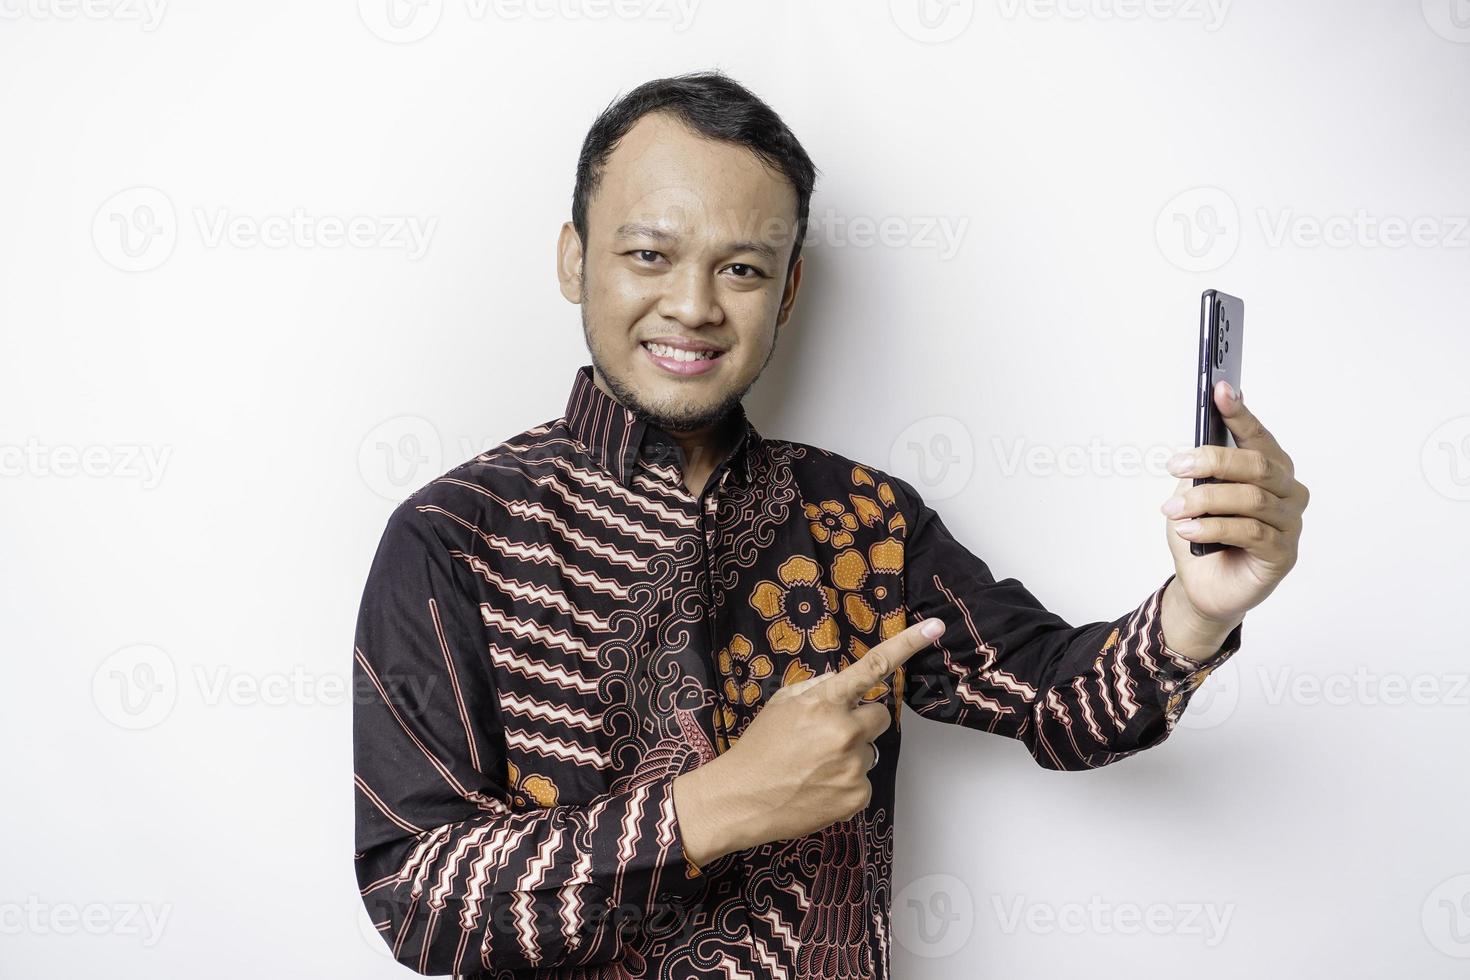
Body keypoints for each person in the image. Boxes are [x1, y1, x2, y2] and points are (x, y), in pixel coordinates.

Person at [351, 69, 1309, 979]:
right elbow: (415, 895)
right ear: (575, 258)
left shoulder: (864, 522)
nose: (692, 305)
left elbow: (1062, 710)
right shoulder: (454, 538)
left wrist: (1199, 609)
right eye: (649, 253)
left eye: (741, 268)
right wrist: (714, 807)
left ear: (789, 292)